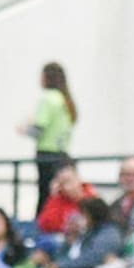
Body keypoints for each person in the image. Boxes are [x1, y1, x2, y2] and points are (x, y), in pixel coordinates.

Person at [21, 62, 76, 217]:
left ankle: (43, 222)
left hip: (47, 152)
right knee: (58, 192)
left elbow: (39, 128)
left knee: (45, 192)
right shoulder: (65, 100)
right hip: (62, 153)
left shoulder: (48, 98)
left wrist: (24, 129)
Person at [34, 165, 98, 236]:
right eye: (62, 184)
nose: (67, 187)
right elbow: (44, 224)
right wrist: (54, 197)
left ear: (78, 178)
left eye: (69, 181)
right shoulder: (58, 199)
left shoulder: (91, 197)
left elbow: (98, 224)